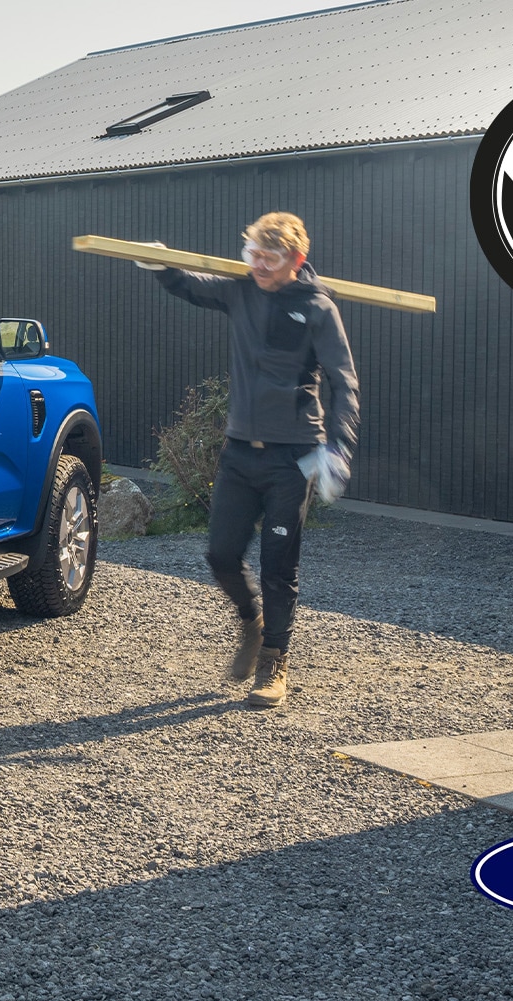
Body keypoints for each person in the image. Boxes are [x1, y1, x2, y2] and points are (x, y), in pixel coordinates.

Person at [138, 212, 359, 707]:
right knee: (220, 554)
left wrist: (338, 448)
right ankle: (251, 622)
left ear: (295, 259)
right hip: (239, 451)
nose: (258, 265)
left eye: (269, 258)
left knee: (278, 565)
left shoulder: (318, 308)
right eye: (252, 254)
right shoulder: (240, 291)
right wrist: (159, 264)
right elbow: (189, 285)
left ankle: (274, 662)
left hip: (293, 457)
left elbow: (344, 383)